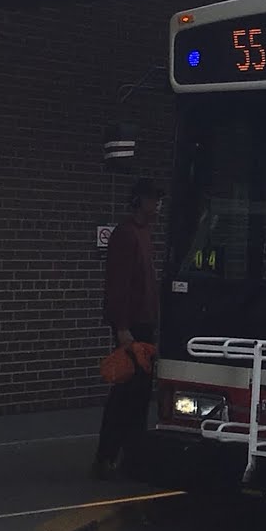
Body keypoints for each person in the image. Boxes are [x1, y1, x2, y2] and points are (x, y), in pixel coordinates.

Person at [94, 177, 164, 479]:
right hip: (133, 327)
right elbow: (118, 285)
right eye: (154, 200)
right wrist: (122, 328)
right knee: (126, 394)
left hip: (143, 324)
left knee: (137, 395)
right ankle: (107, 457)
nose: (158, 206)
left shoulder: (143, 234)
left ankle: (129, 455)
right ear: (141, 202)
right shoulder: (126, 235)